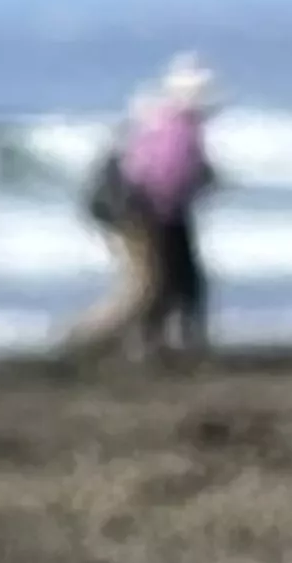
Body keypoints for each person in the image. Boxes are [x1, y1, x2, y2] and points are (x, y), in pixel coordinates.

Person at [71, 56, 219, 357]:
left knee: (158, 283)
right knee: (145, 286)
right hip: (141, 212)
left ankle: (149, 341)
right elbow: (162, 180)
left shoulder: (162, 123)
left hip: (141, 210)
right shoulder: (175, 129)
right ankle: (87, 338)